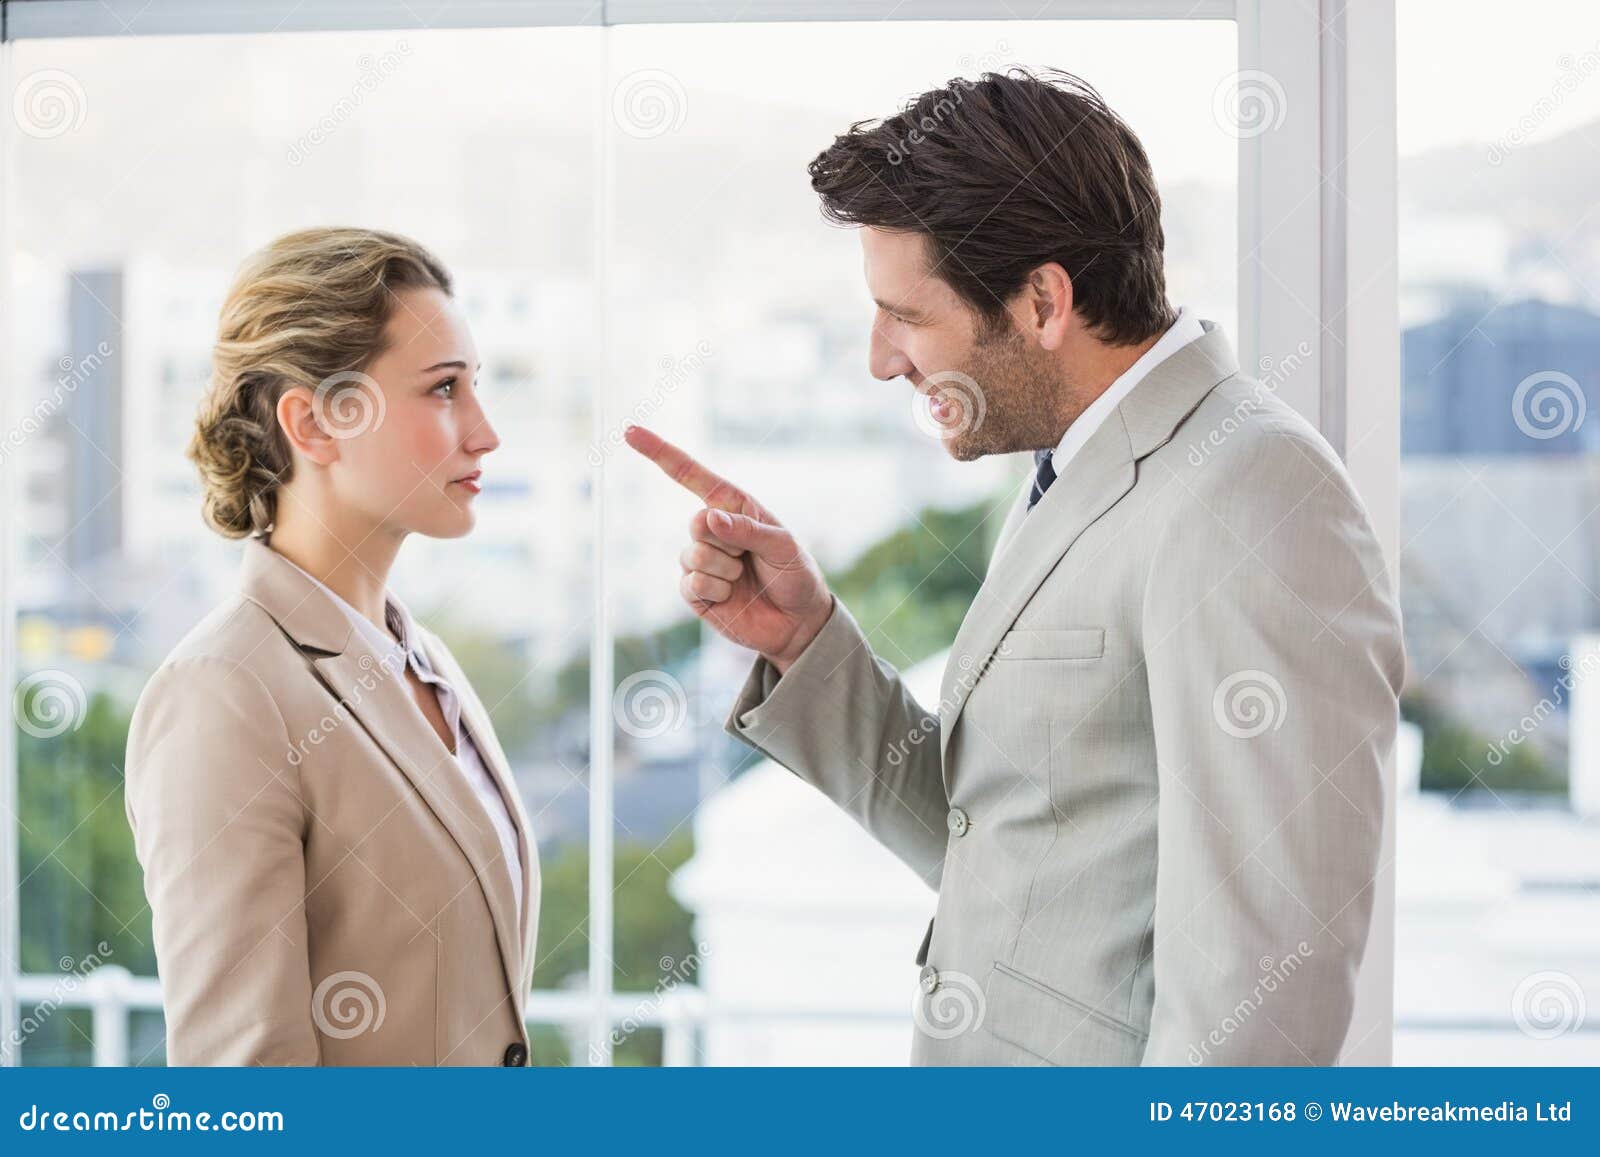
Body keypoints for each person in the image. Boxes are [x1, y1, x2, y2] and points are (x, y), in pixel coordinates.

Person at [627, 68, 1404, 1065]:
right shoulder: (1077, 466)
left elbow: (1262, 999)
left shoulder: (1246, 492)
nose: (880, 358)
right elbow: (1004, 840)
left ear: (1042, 299)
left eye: (906, 314)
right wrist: (806, 639)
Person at [124, 227, 538, 1066]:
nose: (485, 431)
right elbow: (244, 1083)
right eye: (443, 389)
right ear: (313, 423)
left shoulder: (426, 662)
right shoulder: (224, 692)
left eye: (475, 387)